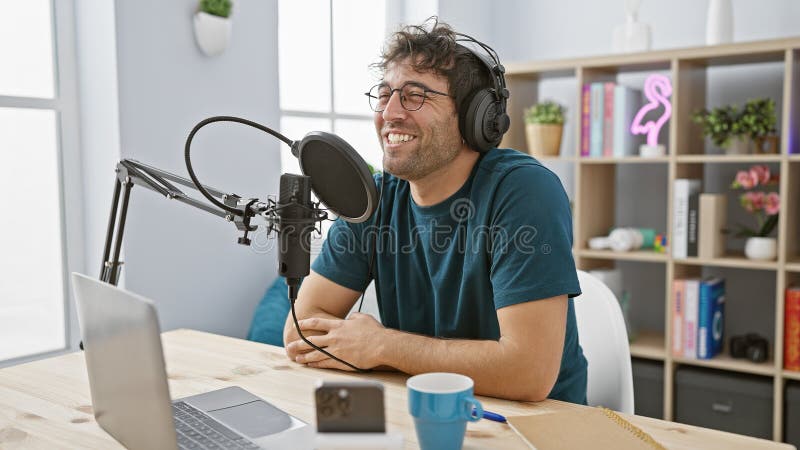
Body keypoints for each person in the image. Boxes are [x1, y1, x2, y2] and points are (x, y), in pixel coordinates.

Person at [283, 18, 587, 404]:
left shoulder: (524, 192)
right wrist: (385, 351)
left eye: (414, 95)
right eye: (384, 95)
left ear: (475, 118)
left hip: (536, 427)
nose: (390, 113)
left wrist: (383, 347)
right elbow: (299, 331)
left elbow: (528, 372)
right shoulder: (373, 199)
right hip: (422, 408)